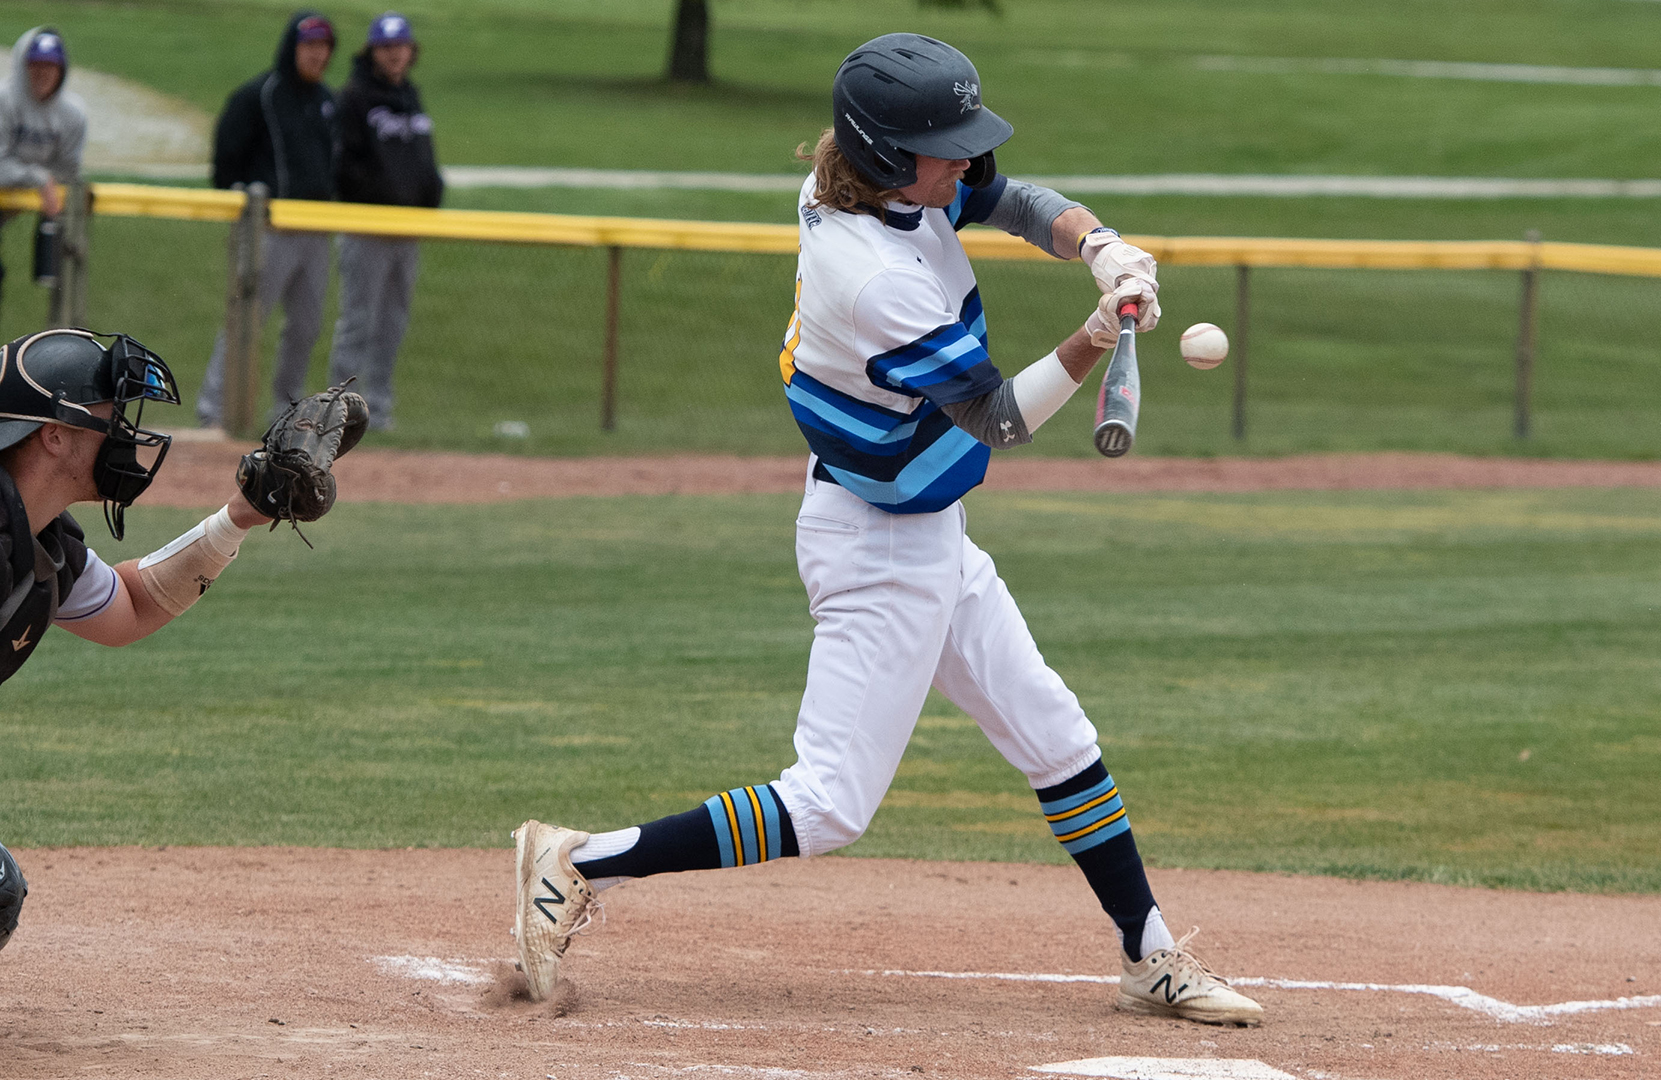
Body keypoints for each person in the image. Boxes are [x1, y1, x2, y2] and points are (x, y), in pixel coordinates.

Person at [512, 34, 1263, 1027]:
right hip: (876, 543)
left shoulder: (886, 184)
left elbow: (1012, 200)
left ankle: (1148, 957)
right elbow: (998, 419)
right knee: (826, 805)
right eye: (944, 145)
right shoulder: (872, 277)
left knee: (1055, 735)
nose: (963, 160)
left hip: (925, 527)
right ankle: (575, 860)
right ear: (883, 153)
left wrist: (1101, 247)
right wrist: (1093, 336)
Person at [0, 329, 291, 956]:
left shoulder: (41, 543)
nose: (127, 436)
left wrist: (238, 516)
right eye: (111, 417)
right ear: (54, 433)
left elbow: (131, 607)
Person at [197, 11, 339, 426]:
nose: (318, 55)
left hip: (315, 228)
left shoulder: (327, 100)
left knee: (307, 325)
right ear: (292, 48)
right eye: (310, 46)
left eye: (324, 47)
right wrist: (237, 199)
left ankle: (286, 414)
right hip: (268, 229)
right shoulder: (260, 94)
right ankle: (214, 412)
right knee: (246, 320)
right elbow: (226, 159)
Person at [327, 12, 441, 432]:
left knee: (393, 320)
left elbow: (423, 161)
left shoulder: (411, 95)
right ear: (373, 52)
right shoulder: (355, 97)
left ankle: (379, 409)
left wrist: (430, 199)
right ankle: (337, 411)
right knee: (358, 321)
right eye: (386, 48)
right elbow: (344, 164)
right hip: (367, 226)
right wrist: (377, 195)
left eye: (401, 47)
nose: (395, 55)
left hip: (408, 228)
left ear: (411, 52)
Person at [0, 28, 85, 321]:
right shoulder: (4, 100)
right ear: (23, 67)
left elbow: (68, 171)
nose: (42, 73)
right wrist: (37, 179)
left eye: (50, 66)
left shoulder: (73, 115)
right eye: (35, 64)